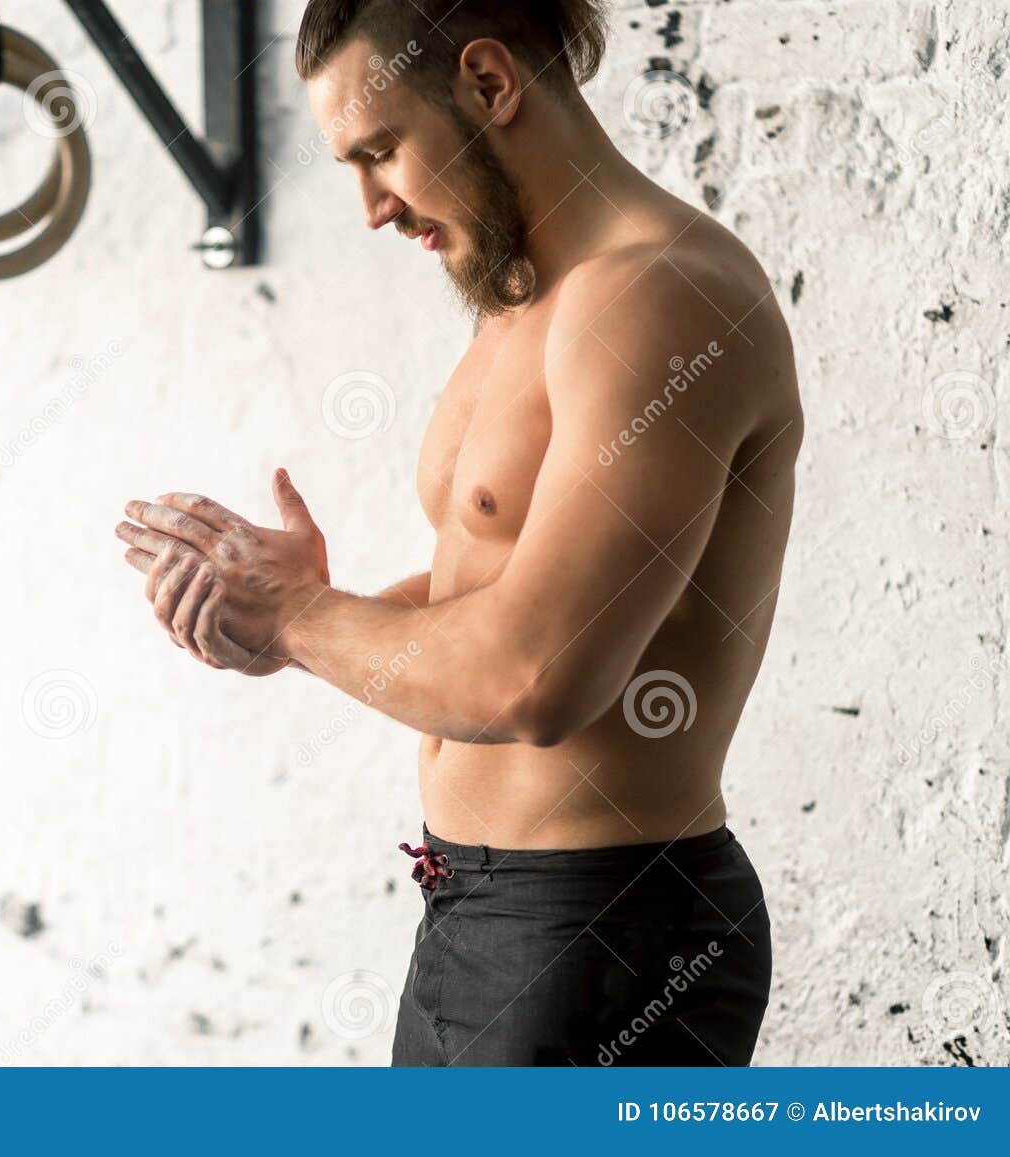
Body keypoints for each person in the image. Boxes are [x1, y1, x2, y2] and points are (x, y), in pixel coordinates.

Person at [113, 0, 801, 1066]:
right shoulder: (525, 297)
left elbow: (534, 676)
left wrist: (303, 618)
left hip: (605, 930)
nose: (371, 209)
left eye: (380, 151)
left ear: (488, 84)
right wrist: (288, 614)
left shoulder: (654, 297)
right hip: (475, 909)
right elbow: (516, 585)